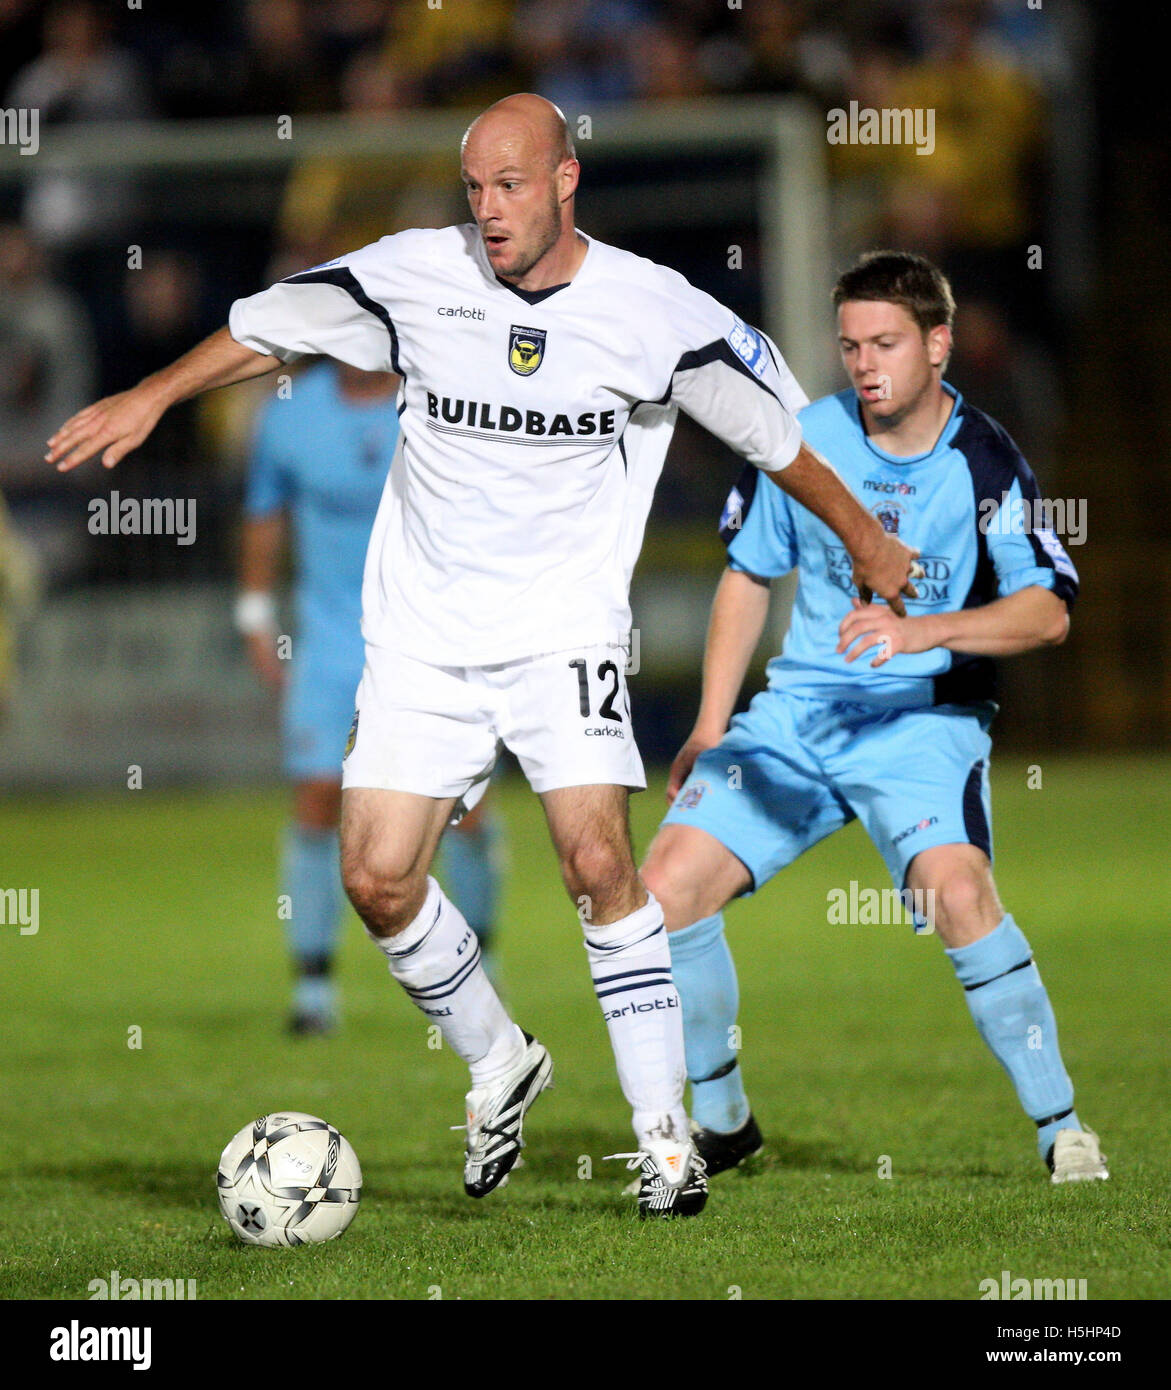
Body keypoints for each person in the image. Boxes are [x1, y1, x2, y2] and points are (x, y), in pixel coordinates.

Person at [47, 94, 919, 1217]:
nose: (490, 211)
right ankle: (500, 1056)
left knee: (597, 862)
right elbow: (275, 322)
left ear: (565, 182)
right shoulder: (417, 273)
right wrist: (153, 393)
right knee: (374, 874)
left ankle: (665, 1143)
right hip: (421, 636)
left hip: (561, 629)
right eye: (474, 190)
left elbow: (780, 438)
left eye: (511, 186)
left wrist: (863, 536)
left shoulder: (655, 313)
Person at [642, 250, 1107, 1187]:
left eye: (885, 343)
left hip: (920, 726)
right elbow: (746, 574)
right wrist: (708, 724)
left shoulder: (985, 460)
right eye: (850, 344)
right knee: (664, 892)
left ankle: (1060, 1127)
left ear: (937, 345)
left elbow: (1048, 611)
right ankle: (724, 1122)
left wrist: (920, 631)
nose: (863, 363)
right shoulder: (802, 437)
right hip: (797, 718)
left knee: (959, 893)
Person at [237, 357, 504, 1035]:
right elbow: (263, 514)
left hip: (436, 642)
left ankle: (480, 969)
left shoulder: (443, 401)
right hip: (330, 646)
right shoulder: (290, 414)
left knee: (462, 808)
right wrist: (254, 614)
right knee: (318, 800)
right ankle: (313, 990)